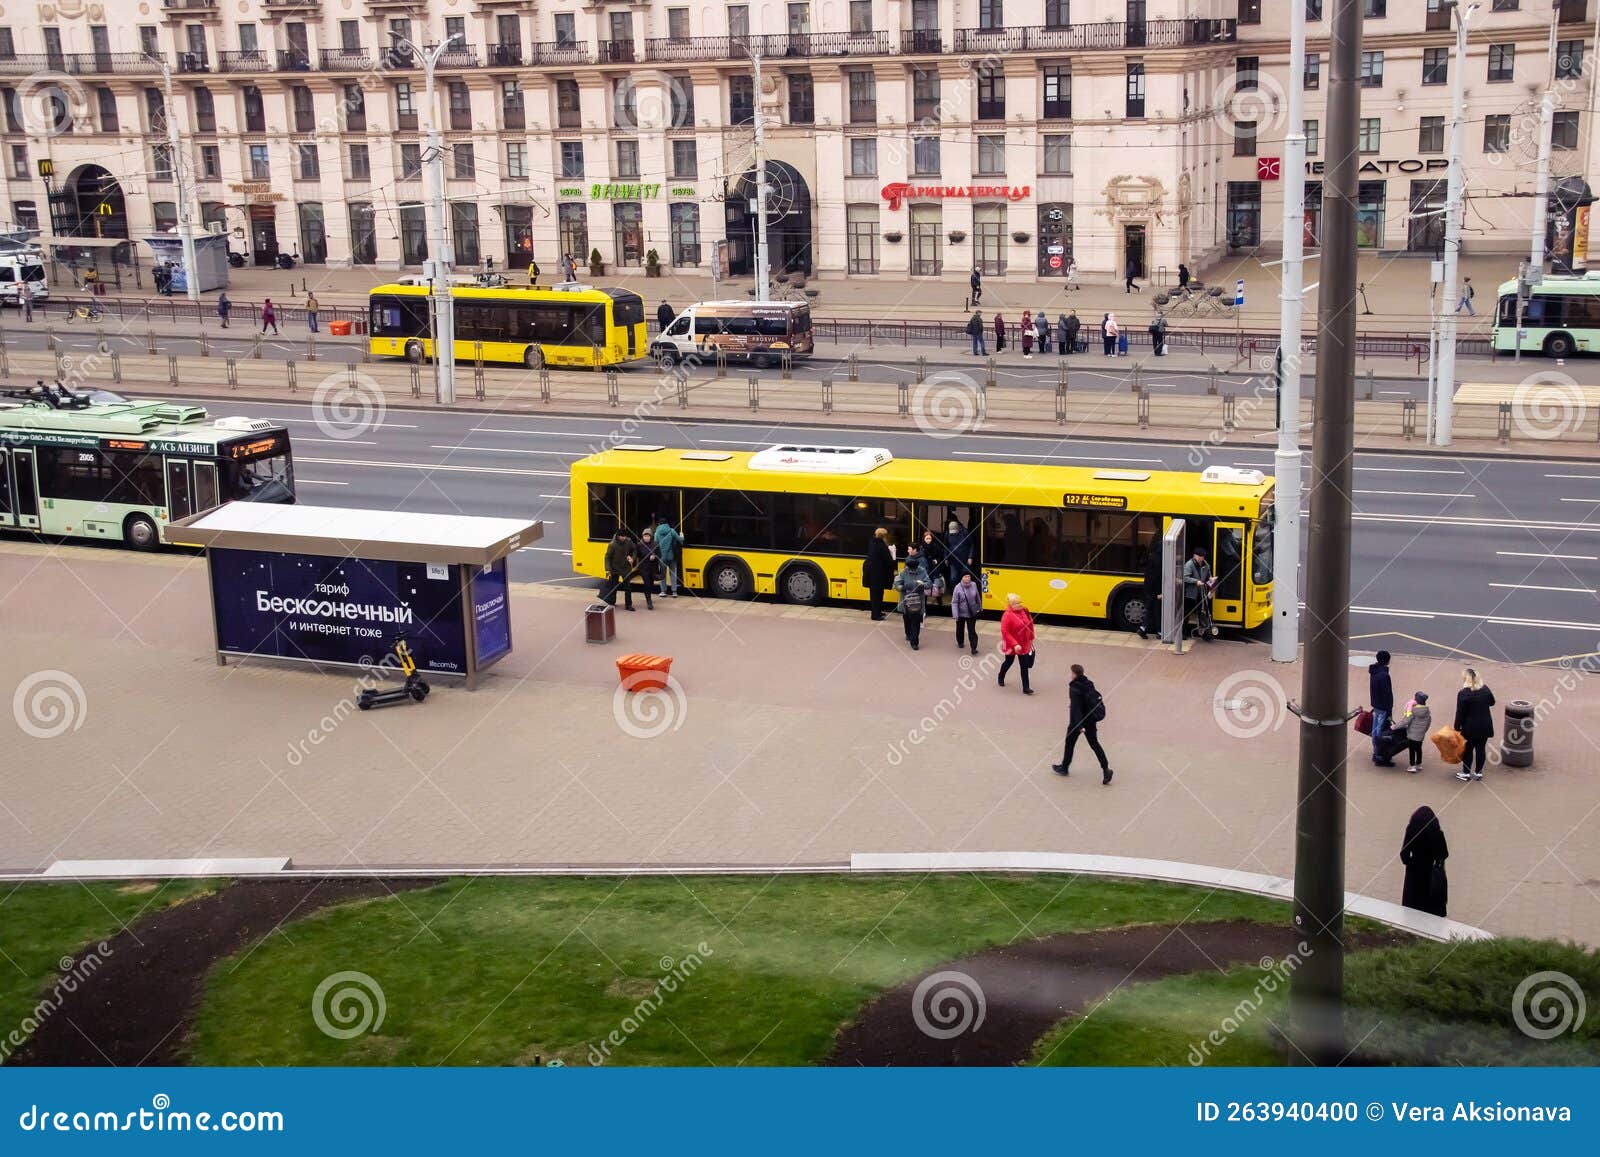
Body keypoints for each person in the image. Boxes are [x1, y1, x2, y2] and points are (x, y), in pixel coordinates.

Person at [1053, 664, 1113, 784]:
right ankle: (1106, 769)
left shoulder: (1074, 687)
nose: (1070, 675)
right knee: (1094, 744)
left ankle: (1064, 767)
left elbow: (1076, 709)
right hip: (1090, 720)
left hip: (1077, 722)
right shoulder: (1089, 683)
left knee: (1069, 742)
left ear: (1075, 674)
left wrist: (1080, 726)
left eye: (1071, 673)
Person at [1399, 805, 1449, 918]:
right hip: (1431, 874)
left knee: (1411, 913)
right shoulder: (1437, 833)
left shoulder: (1411, 830)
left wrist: (1411, 864)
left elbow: (1404, 854)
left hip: (1413, 876)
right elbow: (1444, 854)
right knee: (1430, 913)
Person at [1453, 667, 1496, 782]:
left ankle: (1466, 773)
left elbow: (1460, 712)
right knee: (1481, 749)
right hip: (1485, 725)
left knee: (1468, 750)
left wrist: (1457, 727)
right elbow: (1492, 702)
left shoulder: (1463, 693)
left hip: (1469, 727)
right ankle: (1478, 773)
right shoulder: (1485, 689)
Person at [894, 546, 931, 650]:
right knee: (907, 619)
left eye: (914, 568)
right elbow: (896, 583)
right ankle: (908, 633)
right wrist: (902, 587)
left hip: (917, 602)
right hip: (906, 601)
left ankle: (914, 642)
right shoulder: (904, 572)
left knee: (916, 621)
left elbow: (929, 583)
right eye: (910, 568)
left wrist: (922, 584)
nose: (912, 570)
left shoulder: (922, 571)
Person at [998, 593, 1035, 694]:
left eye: (1020, 602)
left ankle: (1026, 688)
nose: (1020, 604)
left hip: (1023, 643)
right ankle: (1001, 675)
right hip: (1011, 644)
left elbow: (1030, 624)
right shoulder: (1007, 615)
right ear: (1011, 604)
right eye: (1018, 603)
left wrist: (1031, 637)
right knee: (1008, 662)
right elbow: (1005, 632)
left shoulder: (1024, 610)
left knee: (1024, 665)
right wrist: (1015, 644)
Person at [1182, 546, 1215, 640]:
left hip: (1202, 593)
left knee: (1203, 613)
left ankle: (1205, 634)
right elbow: (1185, 577)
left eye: (1203, 556)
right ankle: (1183, 632)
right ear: (1194, 556)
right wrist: (1196, 581)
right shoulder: (1189, 564)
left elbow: (1208, 576)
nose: (1201, 558)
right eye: (1200, 556)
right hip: (1190, 594)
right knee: (1187, 613)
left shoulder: (1206, 564)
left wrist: (1211, 579)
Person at [1369, 650, 1396, 767]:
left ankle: (1376, 753)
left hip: (1376, 705)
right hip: (1383, 707)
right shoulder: (1384, 676)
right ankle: (1380, 756)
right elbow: (1387, 694)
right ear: (1387, 660)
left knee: (1376, 731)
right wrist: (1389, 711)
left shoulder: (1374, 672)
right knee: (1382, 733)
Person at [862, 527, 895, 621]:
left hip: (871, 574)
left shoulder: (872, 543)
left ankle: (877, 612)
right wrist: (892, 554)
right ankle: (875, 615)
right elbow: (887, 560)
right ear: (883, 536)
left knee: (874, 595)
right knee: (878, 595)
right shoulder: (881, 546)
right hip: (878, 575)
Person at [602, 530, 636, 611]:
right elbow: (607, 557)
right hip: (615, 569)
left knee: (628, 587)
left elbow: (634, 549)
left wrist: (632, 558)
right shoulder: (612, 545)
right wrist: (608, 569)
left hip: (626, 568)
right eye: (622, 536)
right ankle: (612, 603)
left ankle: (628, 605)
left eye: (625, 536)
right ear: (618, 536)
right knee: (614, 587)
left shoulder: (629, 541)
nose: (624, 538)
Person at [1137, 543, 1163, 640]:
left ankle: (1143, 628)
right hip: (1156, 590)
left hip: (1148, 588)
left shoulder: (1151, 557)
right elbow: (1157, 577)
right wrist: (1158, 593)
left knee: (1150, 610)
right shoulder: (1160, 559)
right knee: (1157, 611)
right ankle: (1159, 632)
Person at [951, 572, 981, 655]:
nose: (967, 578)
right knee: (960, 629)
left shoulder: (974, 584)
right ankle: (960, 642)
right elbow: (954, 602)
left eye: (969, 576)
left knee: (972, 631)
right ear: (962, 578)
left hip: (971, 613)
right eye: (965, 576)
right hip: (961, 614)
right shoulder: (957, 587)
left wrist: (979, 607)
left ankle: (974, 648)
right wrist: (955, 614)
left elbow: (977, 597)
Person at [653, 515, 682, 597]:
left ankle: (663, 591)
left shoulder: (657, 533)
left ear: (659, 524)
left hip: (662, 557)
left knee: (663, 574)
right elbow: (680, 540)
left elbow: (655, 544)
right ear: (667, 523)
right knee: (673, 574)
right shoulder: (672, 531)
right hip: (672, 557)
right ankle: (674, 592)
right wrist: (682, 535)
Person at [919, 528, 947, 613]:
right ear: (924, 539)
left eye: (930, 538)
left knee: (936, 588)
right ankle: (924, 609)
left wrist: (937, 560)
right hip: (925, 570)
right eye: (927, 538)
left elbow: (940, 557)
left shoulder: (936, 547)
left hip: (934, 569)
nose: (928, 540)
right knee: (925, 589)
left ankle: (940, 605)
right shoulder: (921, 548)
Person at [1403, 691, 1432, 772]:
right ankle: (1418, 764)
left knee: (1412, 750)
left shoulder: (1413, 710)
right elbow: (1428, 723)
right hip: (1420, 735)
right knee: (1418, 749)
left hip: (1412, 734)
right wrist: (1423, 731)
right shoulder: (1427, 712)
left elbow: (1406, 721)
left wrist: (1394, 727)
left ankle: (1412, 766)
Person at [945, 518, 976, 592]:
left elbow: (972, 545)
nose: (953, 533)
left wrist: (970, 557)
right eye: (952, 532)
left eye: (954, 532)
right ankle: (955, 593)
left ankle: (966, 593)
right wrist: (946, 557)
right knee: (953, 578)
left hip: (965, 560)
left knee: (965, 578)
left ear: (958, 528)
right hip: (953, 560)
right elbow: (945, 546)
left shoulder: (965, 532)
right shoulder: (947, 534)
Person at [634, 529, 660, 610]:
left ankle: (648, 596)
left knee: (651, 584)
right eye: (645, 536)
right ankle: (649, 601)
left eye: (648, 536)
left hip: (653, 568)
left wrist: (655, 556)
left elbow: (659, 554)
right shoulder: (639, 545)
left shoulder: (655, 544)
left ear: (651, 537)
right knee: (647, 584)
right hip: (643, 568)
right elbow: (636, 555)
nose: (646, 538)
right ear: (642, 536)